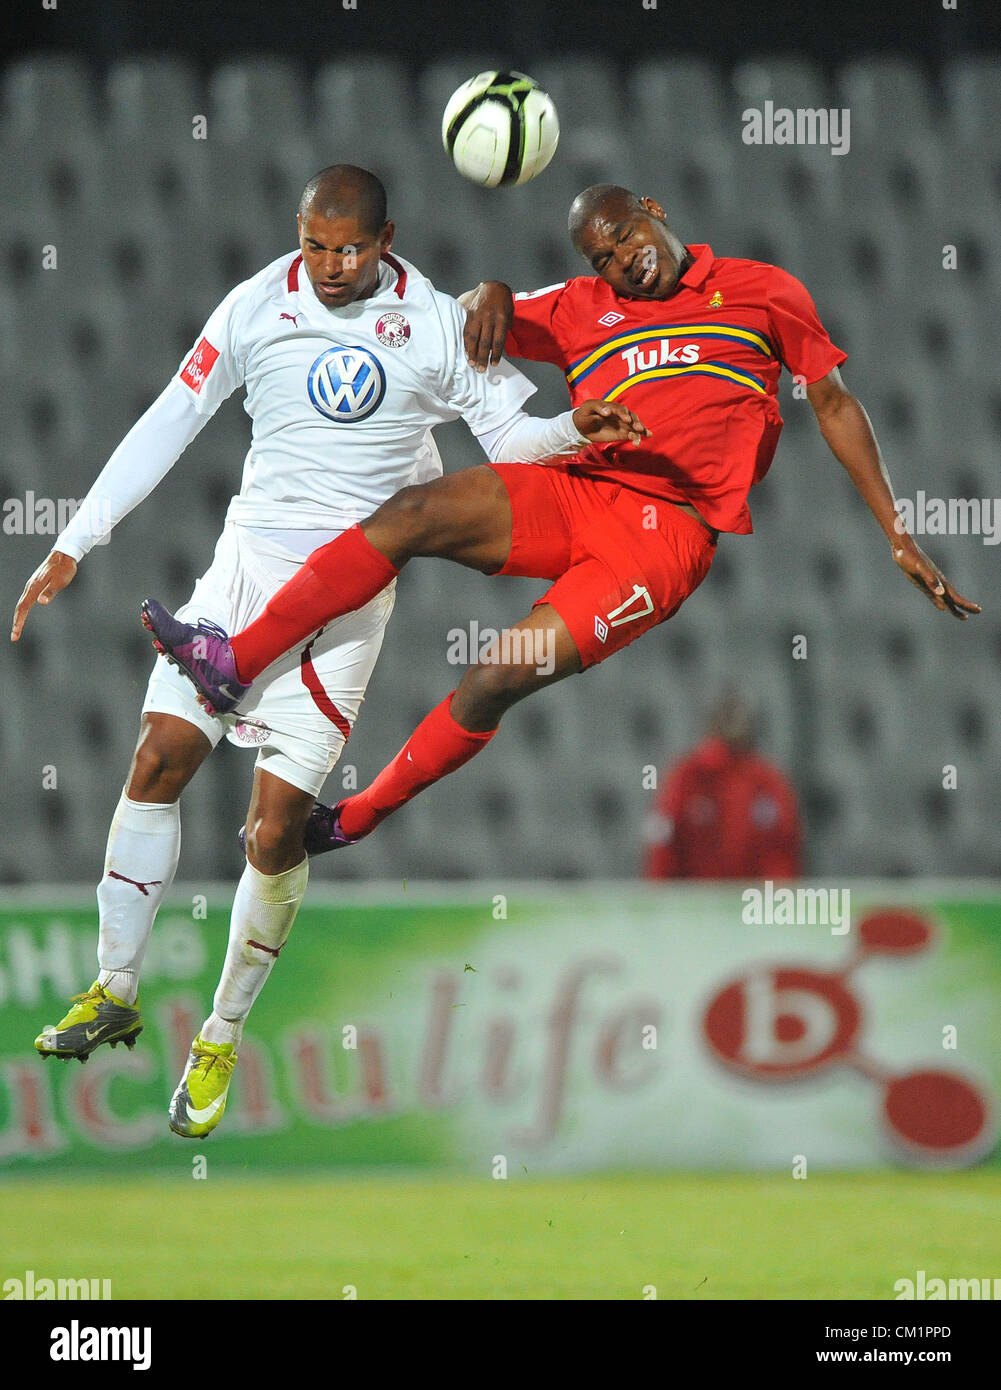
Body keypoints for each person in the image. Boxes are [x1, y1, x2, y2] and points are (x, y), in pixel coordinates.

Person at [9, 166, 643, 1137]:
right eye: (316, 244)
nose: (333, 264)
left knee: (270, 833)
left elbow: (510, 437)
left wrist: (571, 425)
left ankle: (218, 1034)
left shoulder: (435, 321)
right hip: (245, 573)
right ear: (297, 234)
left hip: (345, 607)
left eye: (352, 246)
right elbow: (172, 416)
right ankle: (114, 984)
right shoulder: (256, 304)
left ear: (387, 237)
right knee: (156, 758)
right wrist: (75, 538)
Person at [140, 182, 980, 865]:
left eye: (623, 236)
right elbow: (474, 314)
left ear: (655, 208)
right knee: (414, 511)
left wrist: (896, 532)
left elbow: (830, 401)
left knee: (495, 677)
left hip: (661, 542)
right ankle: (233, 664)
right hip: (578, 487)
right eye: (601, 255)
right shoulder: (585, 305)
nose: (620, 261)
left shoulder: (761, 292)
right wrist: (492, 292)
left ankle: (355, 818)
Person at [643, 691, 802, 879]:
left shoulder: (768, 780)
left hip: (753, 901)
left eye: (739, 716)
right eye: (728, 715)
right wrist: (663, 898)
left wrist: (777, 897)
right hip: (697, 902)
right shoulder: (688, 776)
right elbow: (664, 842)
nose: (735, 724)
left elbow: (784, 845)